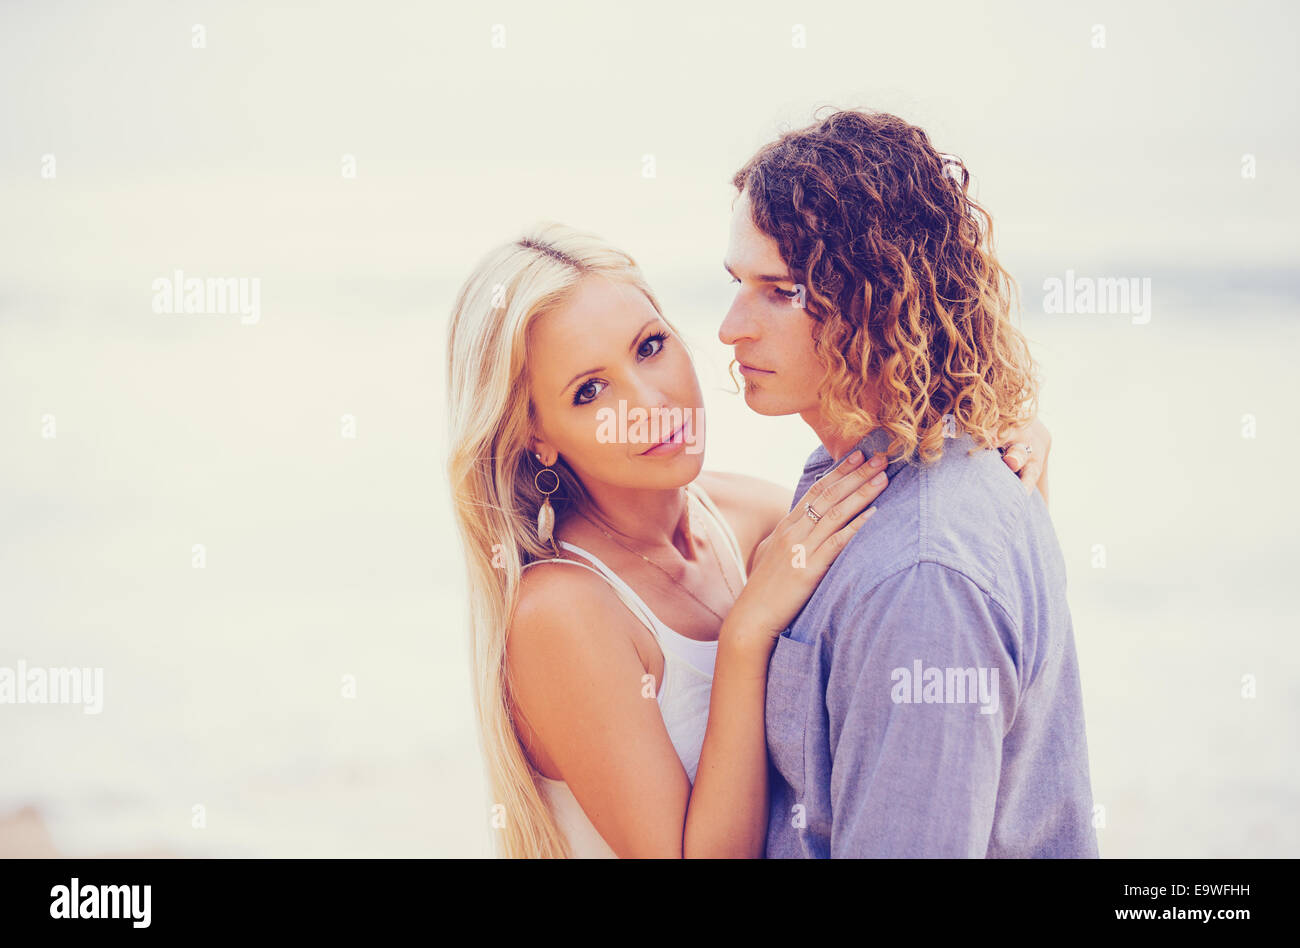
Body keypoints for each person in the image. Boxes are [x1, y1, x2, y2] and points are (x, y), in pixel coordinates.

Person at [445, 221, 1050, 858]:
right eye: (590, 390)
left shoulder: (757, 518)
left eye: (650, 346)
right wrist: (745, 634)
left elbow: (967, 609)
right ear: (534, 434)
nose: (648, 401)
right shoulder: (562, 612)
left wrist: (999, 457)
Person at [720, 109, 1098, 857]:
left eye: (780, 291)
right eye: (736, 283)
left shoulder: (923, 577)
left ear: (876, 298)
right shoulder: (864, 477)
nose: (732, 328)